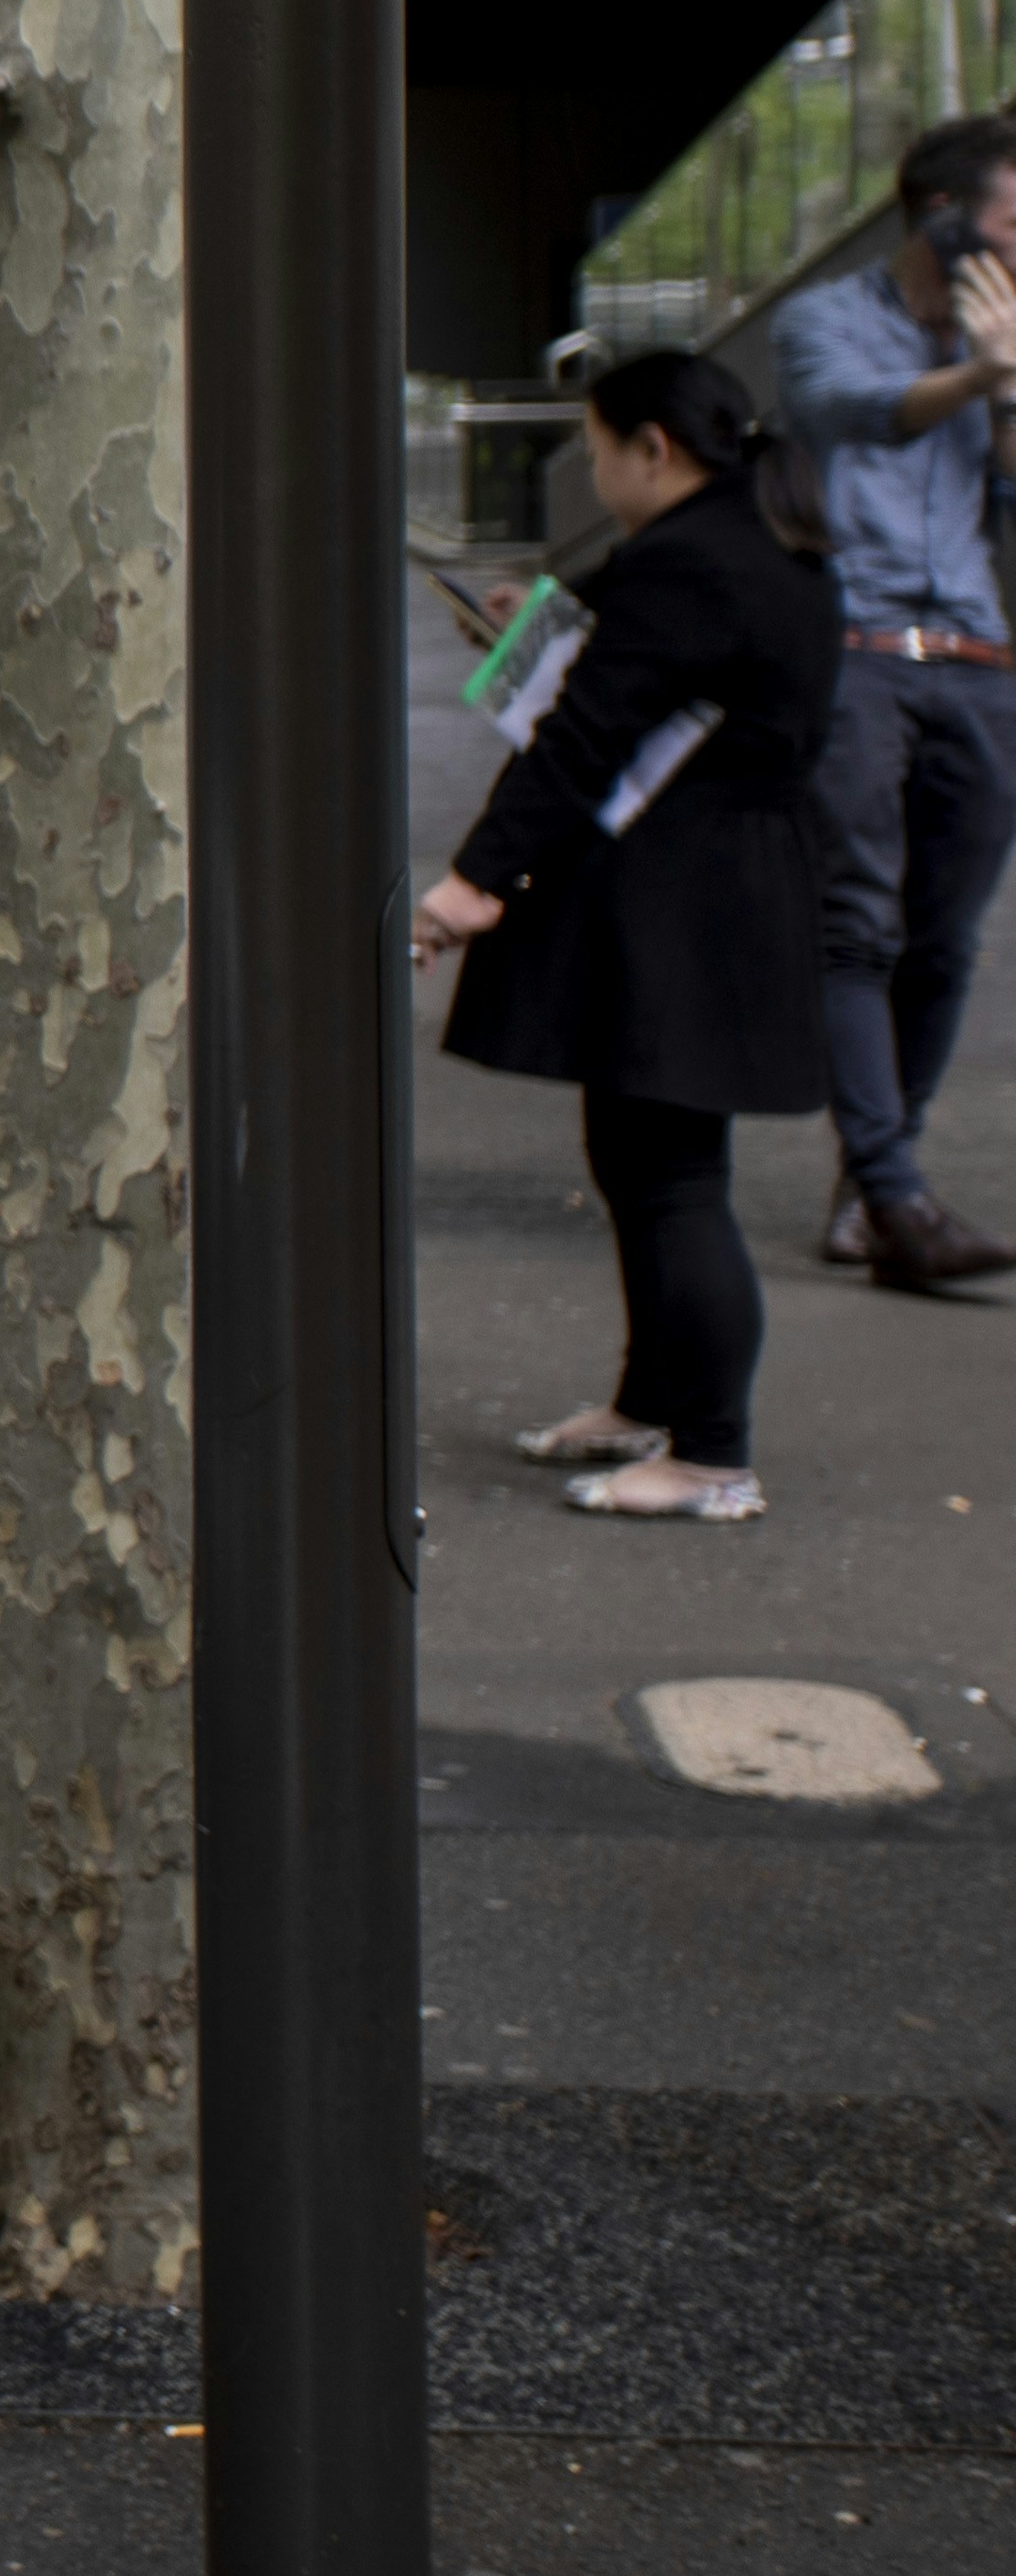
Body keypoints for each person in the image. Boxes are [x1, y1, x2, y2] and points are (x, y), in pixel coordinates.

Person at [412, 353, 843, 1522]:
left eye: (601, 451)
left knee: (671, 1180)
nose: (597, 475)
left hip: (681, 896)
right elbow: (631, 672)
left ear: (653, 446)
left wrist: (472, 881)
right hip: (728, 883)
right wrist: (539, 628)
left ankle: (710, 1453)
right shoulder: (760, 535)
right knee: (645, 1162)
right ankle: (652, 1399)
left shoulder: (691, 558)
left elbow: (584, 737)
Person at [771, 111, 1016, 1291]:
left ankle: (877, 1185)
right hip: (859, 645)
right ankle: (893, 1193)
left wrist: (1005, 395)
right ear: (943, 217)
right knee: (857, 922)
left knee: (947, 938)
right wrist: (980, 371)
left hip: (978, 660)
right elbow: (853, 412)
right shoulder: (828, 318)